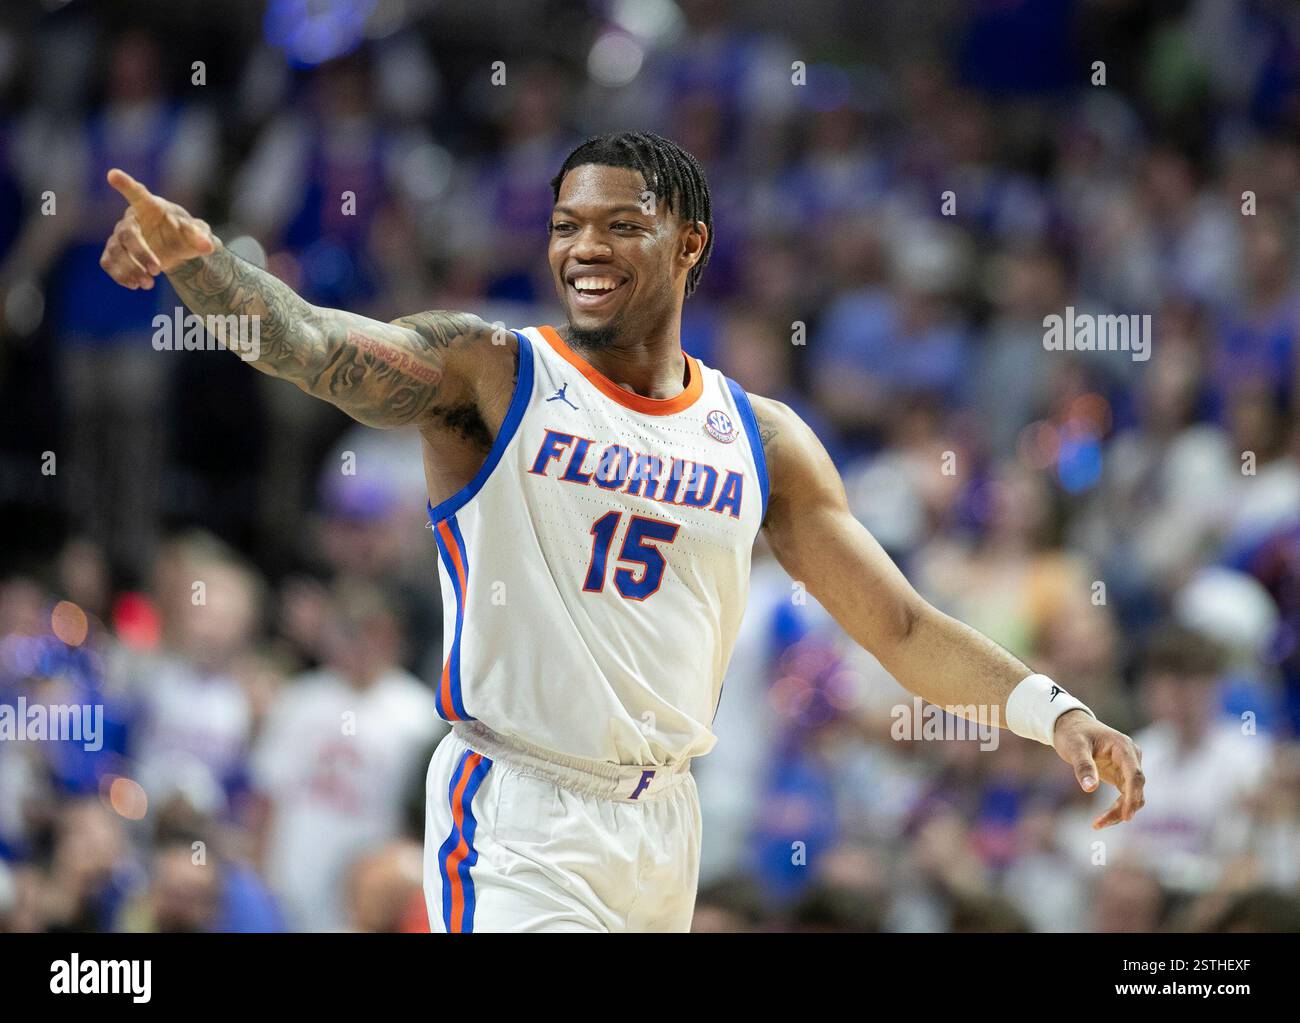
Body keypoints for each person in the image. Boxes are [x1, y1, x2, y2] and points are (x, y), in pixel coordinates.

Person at [97, 130, 1146, 933]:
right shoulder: (495, 372)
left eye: (617, 223)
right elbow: (315, 347)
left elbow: (903, 628)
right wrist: (202, 269)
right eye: (566, 224)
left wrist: (1051, 711)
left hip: (664, 821)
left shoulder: (761, 438)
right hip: (516, 803)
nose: (583, 246)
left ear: (688, 243)